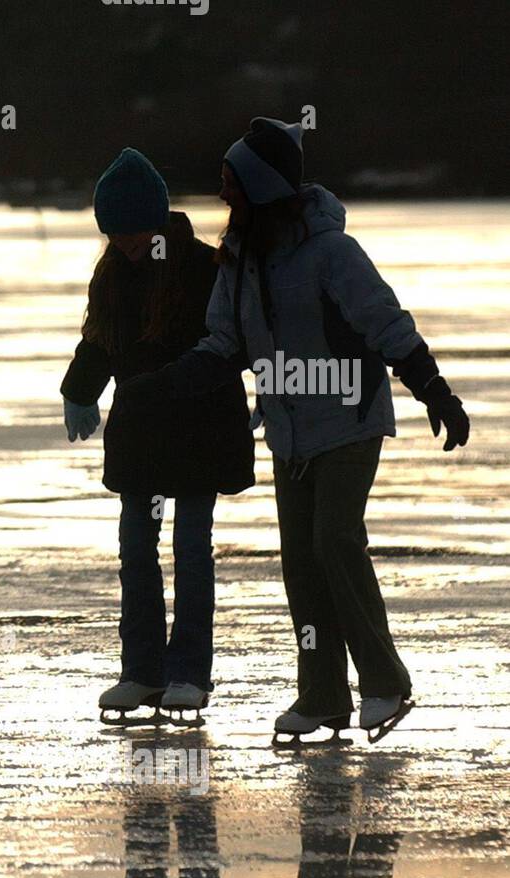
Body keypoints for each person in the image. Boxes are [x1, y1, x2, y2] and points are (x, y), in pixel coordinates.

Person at [124, 119, 470, 741]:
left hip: (348, 420)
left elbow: (386, 323)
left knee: (335, 541)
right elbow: (224, 343)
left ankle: (385, 682)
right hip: (289, 431)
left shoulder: (332, 254)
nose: (222, 195)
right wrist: (165, 383)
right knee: (302, 564)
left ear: (260, 189)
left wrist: (435, 392)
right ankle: (322, 696)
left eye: (231, 183)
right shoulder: (241, 261)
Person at [62, 149, 253, 723]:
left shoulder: (201, 268)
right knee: (137, 553)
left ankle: (189, 674)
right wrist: (79, 390)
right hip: (141, 439)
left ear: (155, 221)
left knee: (192, 552)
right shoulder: (113, 275)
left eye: (130, 231)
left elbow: (233, 343)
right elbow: (99, 341)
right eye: (112, 233)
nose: (121, 243)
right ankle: (140, 671)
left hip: (200, 433)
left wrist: (265, 387)